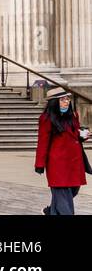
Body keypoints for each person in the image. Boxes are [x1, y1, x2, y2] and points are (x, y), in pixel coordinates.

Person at [36, 86, 90, 215]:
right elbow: (43, 142)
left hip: (74, 163)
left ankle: (51, 211)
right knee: (64, 199)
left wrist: (82, 135)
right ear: (54, 102)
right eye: (63, 100)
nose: (67, 102)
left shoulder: (72, 116)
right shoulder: (46, 119)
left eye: (67, 99)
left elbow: (74, 135)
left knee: (74, 190)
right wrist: (39, 164)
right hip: (58, 164)